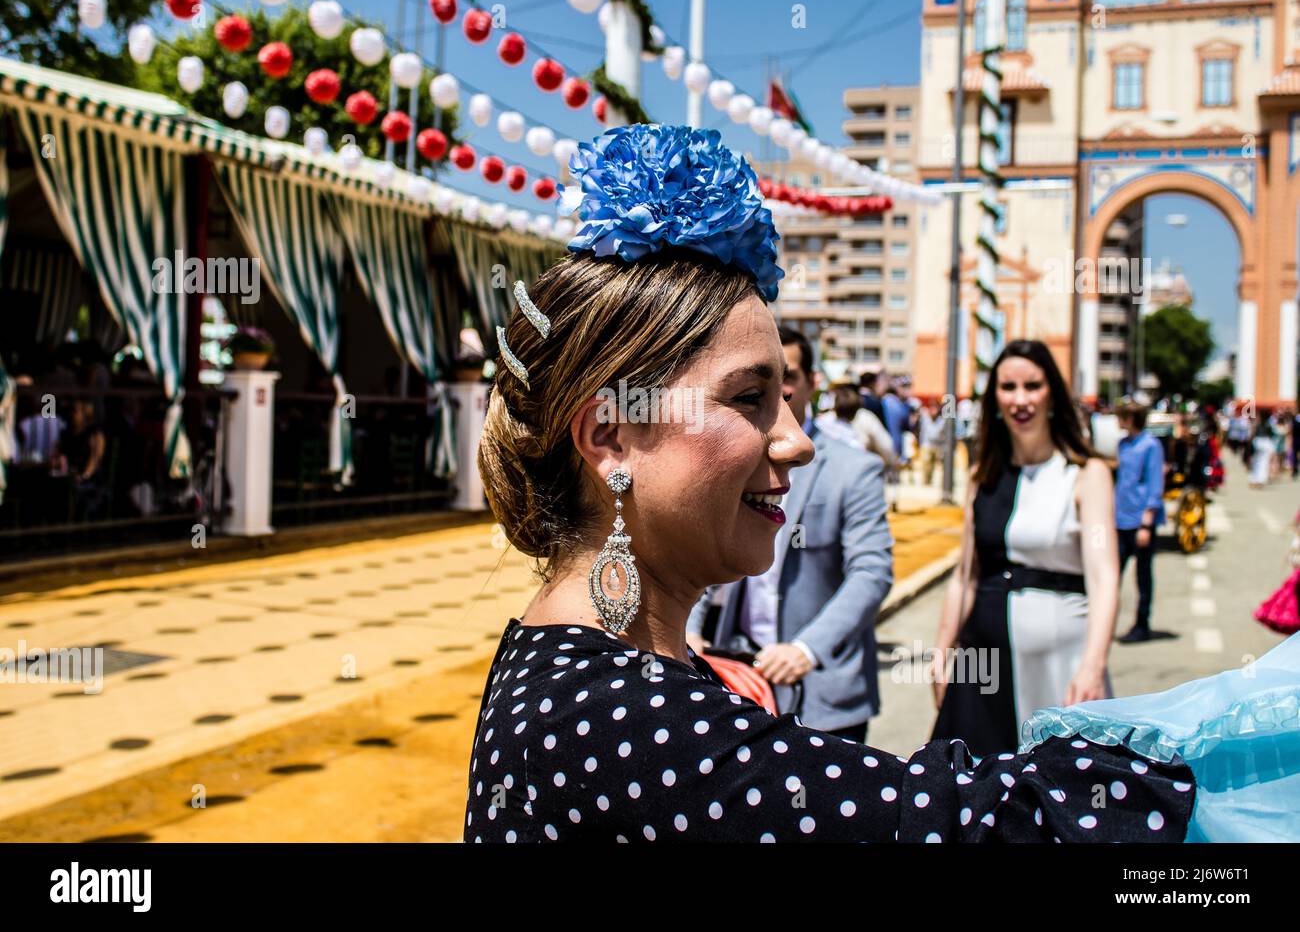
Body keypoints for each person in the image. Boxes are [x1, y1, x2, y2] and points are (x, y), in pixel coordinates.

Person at [465, 123, 1300, 843]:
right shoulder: (616, 721)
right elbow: (966, 825)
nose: (794, 441)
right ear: (611, 435)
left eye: (789, 399)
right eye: (750, 399)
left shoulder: (591, 671)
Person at [686, 327, 893, 744]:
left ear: (814, 383)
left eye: (790, 377)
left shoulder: (853, 470)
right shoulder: (736, 458)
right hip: (735, 679)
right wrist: (689, 631)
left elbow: (871, 572)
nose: (779, 393)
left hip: (820, 693)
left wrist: (806, 649)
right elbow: (707, 548)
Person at [930, 340, 1117, 757]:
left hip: (1062, 660)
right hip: (983, 663)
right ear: (994, 397)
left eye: (1032, 386)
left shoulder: (1087, 475)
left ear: (1052, 393)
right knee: (973, 795)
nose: (1020, 399)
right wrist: (942, 650)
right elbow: (967, 575)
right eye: (1007, 387)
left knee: (1064, 792)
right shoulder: (983, 475)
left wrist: (1094, 663)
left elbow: (1104, 577)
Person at [1113, 402, 1164, 644]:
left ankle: (1142, 624)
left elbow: (1154, 484)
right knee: (1113, 574)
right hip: (1120, 518)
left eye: (1121, 416)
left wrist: (1147, 523)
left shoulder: (1150, 446)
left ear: (1131, 418)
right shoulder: (1122, 444)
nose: (1117, 420)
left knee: (1142, 576)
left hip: (1140, 520)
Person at [1250, 418, 1274, 488]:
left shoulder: (1257, 425)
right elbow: (1271, 435)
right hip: (1265, 443)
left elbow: (1252, 435)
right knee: (1263, 462)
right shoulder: (1269, 425)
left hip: (1258, 442)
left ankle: (1255, 480)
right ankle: (1260, 480)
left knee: (1256, 462)